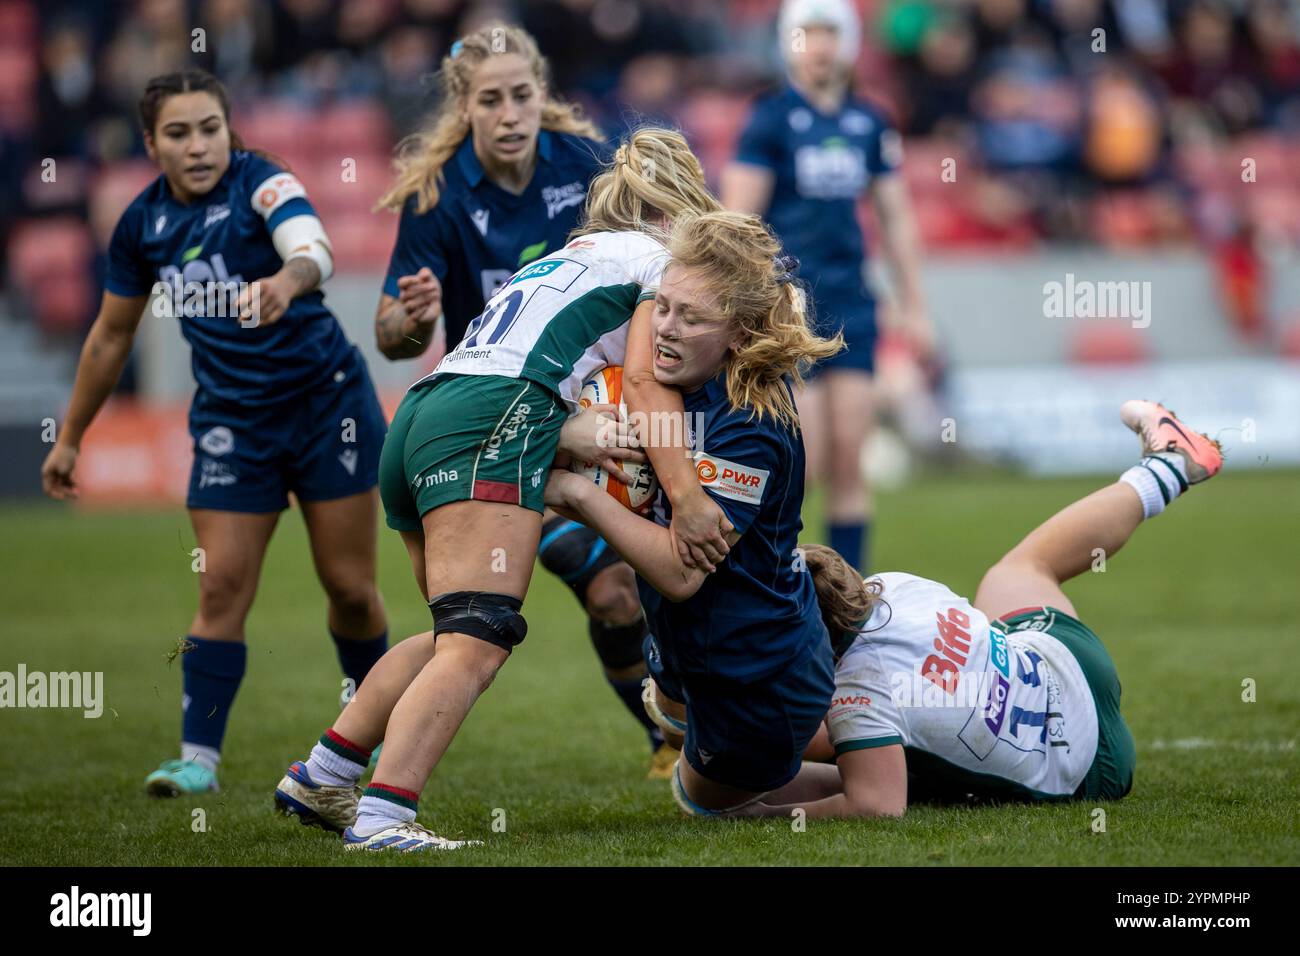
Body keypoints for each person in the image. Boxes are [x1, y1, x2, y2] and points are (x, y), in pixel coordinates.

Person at [272, 128, 734, 850]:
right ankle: (384, 817)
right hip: (492, 416)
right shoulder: (659, 260)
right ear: (680, 213)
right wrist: (689, 492)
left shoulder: (571, 254)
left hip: (425, 411)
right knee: (477, 638)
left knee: (446, 634)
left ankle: (324, 773)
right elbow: (644, 381)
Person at [39, 69, 390, 796]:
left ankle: (367, 738)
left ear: (229, 131)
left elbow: (313, 246)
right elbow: (109, 338)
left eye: (210, 129)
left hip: (329, 405)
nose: (198, 146)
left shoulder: (262, 183)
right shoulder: (142, 224)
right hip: (234, 421)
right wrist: (71, 435)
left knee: (351, 588)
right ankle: (197, 760)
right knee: (222, 587)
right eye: (178, 133)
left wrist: (286, 284)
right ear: (151, 143)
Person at [372, 22, 675, 775]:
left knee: (616, 595)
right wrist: (407, 321)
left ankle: (668, 738)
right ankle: (364, 779)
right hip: (493, 427)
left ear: (543, 94)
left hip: (574, 410)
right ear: (463, 108)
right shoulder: (437, 196)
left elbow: (648, 292)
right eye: (491, 100)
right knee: (469, 629)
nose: (509, 114)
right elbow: (390, 339)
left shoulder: (583, 164)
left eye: (522, 95)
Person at [724, 400, 1223, 818]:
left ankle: (1169, 466)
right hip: (1070, 664)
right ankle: (1168, 467)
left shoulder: (860, 696)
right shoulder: (891, 587)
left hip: (1094, 766)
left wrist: (761, 812)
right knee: (1022, 569)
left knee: (866, 752)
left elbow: (877, 804)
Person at [544, 210, 848, 817]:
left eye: (692, 317)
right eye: (664, 308)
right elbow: (635, 372)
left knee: (700, 803)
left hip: (757, 681)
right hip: (695, 661)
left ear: (738, 335)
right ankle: (866, 740)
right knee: (683, 727)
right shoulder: (681, 374)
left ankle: (899, 766)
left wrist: (575, 494)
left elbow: (682, 575)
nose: (666, 329)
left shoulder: (750, 421)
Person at [721, 0, 932, 574]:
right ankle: (771, 586)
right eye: (807, 35)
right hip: (787, 309)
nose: (819, 47)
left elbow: (897, 218)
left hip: (851, 306)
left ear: (850, 41)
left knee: (849, 462)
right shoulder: (769, 117)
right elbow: (738, 219)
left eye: (830, 34)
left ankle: (846, 597)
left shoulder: (869, 121)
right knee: (802, 464)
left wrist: (914, 306)